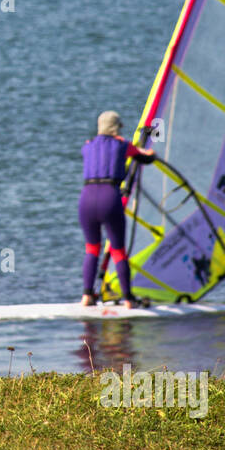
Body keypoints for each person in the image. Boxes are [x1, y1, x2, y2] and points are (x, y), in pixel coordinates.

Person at [79, 110, 155, 309]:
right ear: (116, 128)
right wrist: (150, 152)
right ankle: (129, 299)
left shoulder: (87, 146)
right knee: (118, 251)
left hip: (86, 199)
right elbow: (146, 158)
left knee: (92, 249)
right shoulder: (122, 145)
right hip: (109, 198)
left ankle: (86, 296)